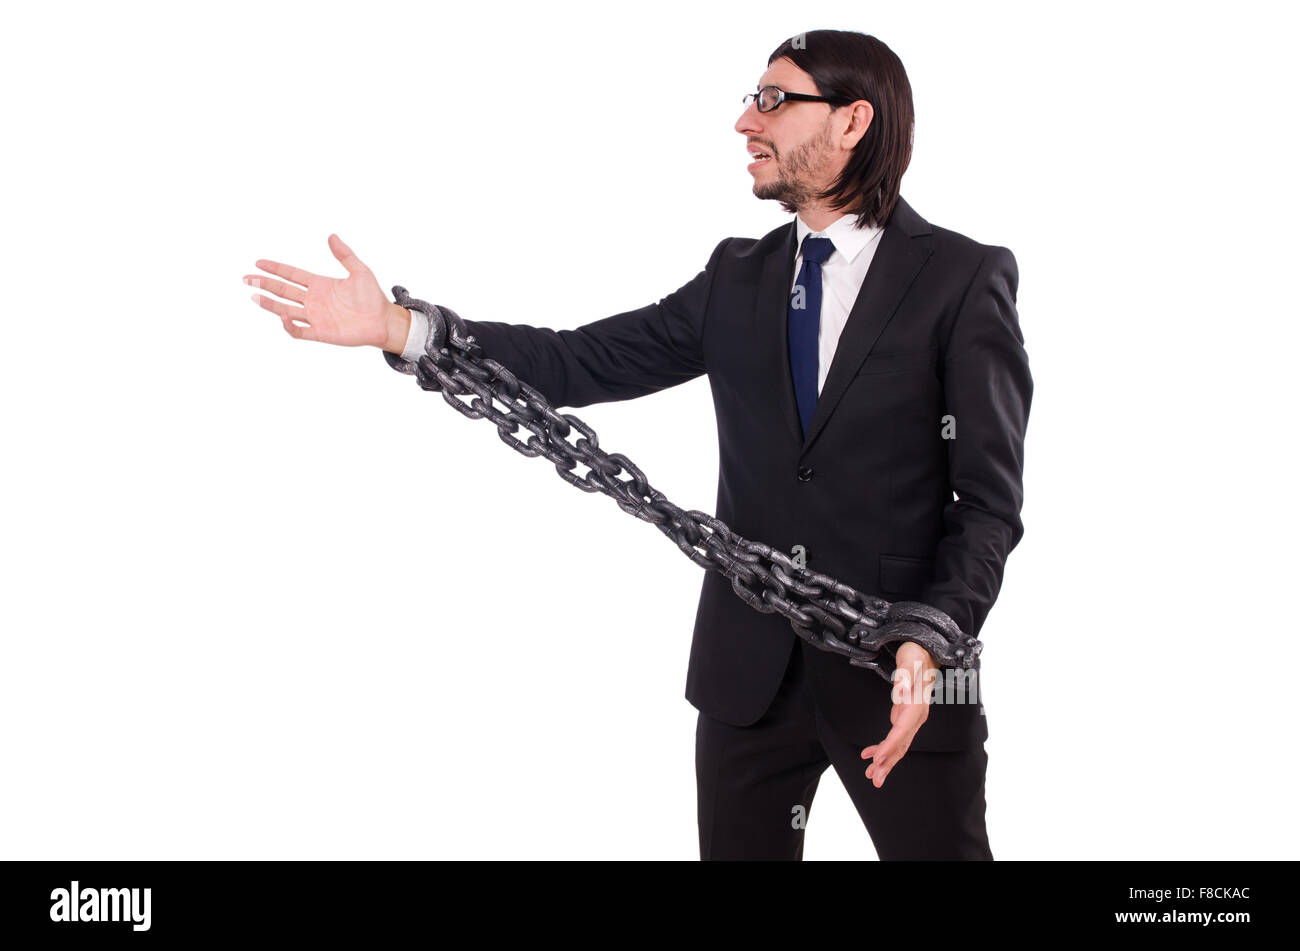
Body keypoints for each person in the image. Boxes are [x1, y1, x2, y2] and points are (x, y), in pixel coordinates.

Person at [245, 29, 1032, 860]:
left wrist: (934, 633)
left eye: (774, 100)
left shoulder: (961, 277)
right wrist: (402, 328)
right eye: (749, 98)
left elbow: (987, 504)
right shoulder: (738, 276)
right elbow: (582, 359)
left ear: (852, 121)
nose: (744, 122)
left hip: (906, 668)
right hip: (747, 672)